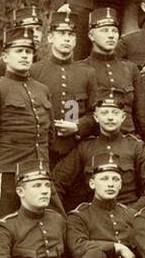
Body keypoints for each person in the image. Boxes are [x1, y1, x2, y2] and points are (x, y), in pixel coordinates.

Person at [0, 24, 56, 222]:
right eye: (18, 51)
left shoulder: (42, 90)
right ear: (5, 57)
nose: (24, 56)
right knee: (3, 227)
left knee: (48, 227)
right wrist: (5, 146)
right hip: (6, 172)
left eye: (28, 52)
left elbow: (50, 134)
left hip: (39, 172)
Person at [52, 88, 145, 209]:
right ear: (96, 117)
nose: (110, 118)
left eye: (115, 113)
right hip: (94, 219)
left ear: (123, 117)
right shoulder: (85, 147)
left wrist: (132, 213)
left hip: (129, 216)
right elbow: (57, 182)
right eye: (104, 113)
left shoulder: (136, 147)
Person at [32, 11, 98, 165]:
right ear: (50, 38)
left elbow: (95, 113)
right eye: (61, 33)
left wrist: (77, 126)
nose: (67, 38)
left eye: (71, 34)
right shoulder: (35, 71)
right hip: (43, 150)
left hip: (77, 151)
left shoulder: (87, 73)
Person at [77, 7, 145, 136]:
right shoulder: (79, 69)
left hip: (129, 143)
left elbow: (143, 117)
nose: (111, 35)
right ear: (91, 35)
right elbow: (71, 117)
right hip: (93, 144)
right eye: (104, 31)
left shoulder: (130, 69)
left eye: (114, 31)